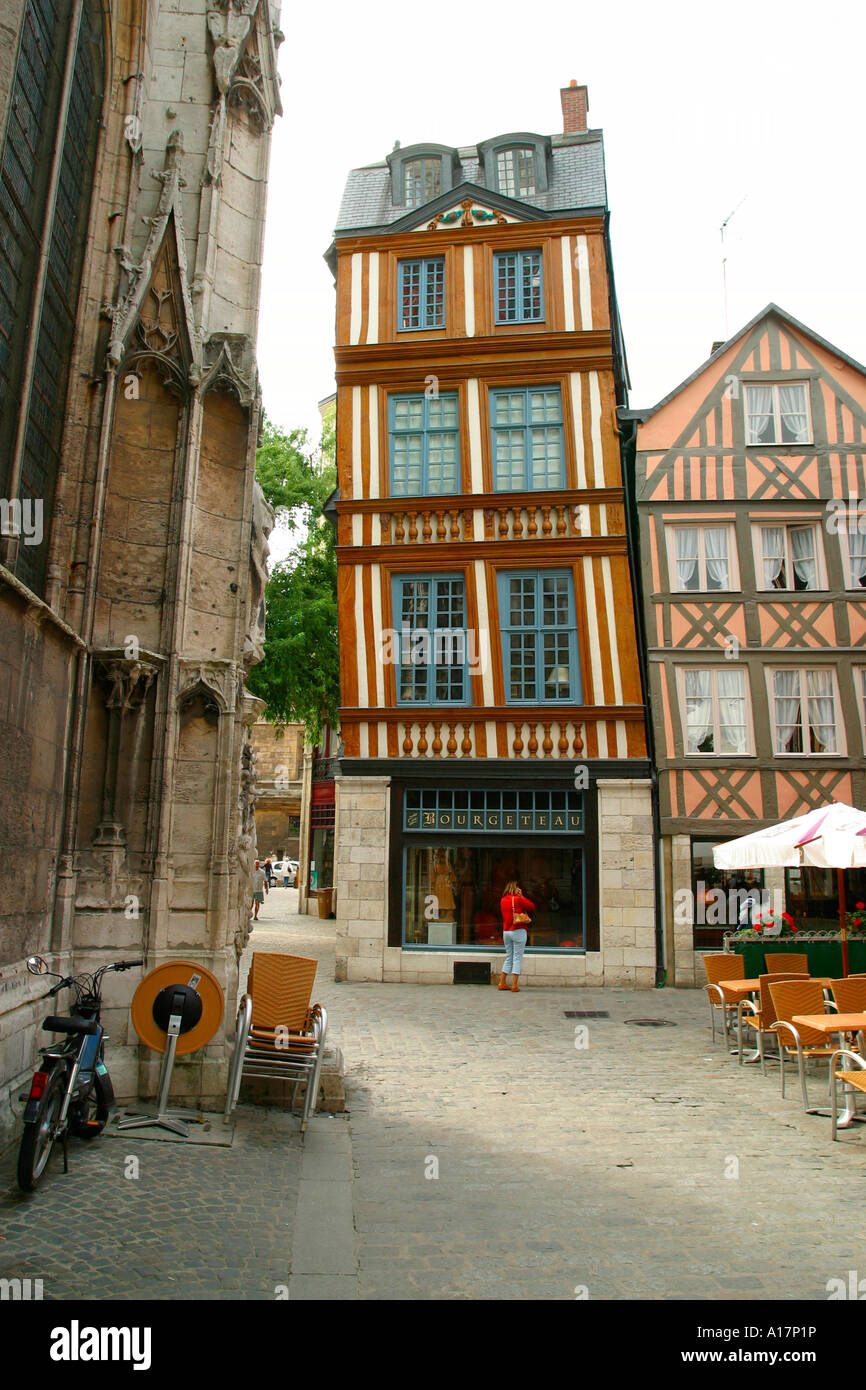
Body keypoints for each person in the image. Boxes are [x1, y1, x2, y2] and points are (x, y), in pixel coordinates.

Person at [499, 879, 535, 992]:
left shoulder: (503, 900)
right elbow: (532, 906)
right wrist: (522, 896)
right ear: (516, 888)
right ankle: (514, 985)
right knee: (517, 957)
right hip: (518, 930)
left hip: (506, 932)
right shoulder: (518, 899)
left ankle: (502, 982)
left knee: (509, 956)